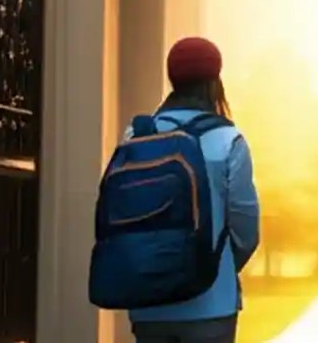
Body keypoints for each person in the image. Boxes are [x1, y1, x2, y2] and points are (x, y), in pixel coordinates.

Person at [91, 36, 260, 343]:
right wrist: (216, 264)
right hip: (211, 304)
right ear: (214, 81)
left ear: (172, 79)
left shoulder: (138, 134)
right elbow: (246, 230)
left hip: (149, 304)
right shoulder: (228, 139)